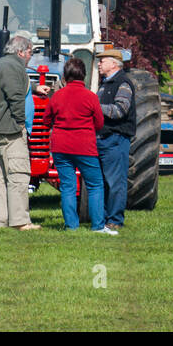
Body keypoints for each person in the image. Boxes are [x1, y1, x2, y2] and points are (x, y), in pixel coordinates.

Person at [46, 57, 110, 233]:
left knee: (67, 186)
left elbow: (46, 120)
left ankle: (71, 226)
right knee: (95, 185)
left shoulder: (57, 96)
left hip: (60, 146)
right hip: (84, 146)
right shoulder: (90, 96)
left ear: (65, 76)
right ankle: (97, 226)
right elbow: (99, 123)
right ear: (84, 75)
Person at [0, 34, 39, 229]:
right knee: (18, 175)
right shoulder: (13, 66)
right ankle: (20, 222)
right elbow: (15, 97)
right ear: (21, 51)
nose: (31, 57)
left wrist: (35, 88)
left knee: (0, 178)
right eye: (30, 52)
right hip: (10, 131)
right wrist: (20, 123)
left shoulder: (1, 64)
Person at [96, 51, 134, 232]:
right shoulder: (104, 85)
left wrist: (94, 107)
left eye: (102, 61)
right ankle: (104, 219)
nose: (98, 64)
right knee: (103, 182)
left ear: (114, 64)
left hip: (115, 139)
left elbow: (120, 110)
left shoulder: (123, 84)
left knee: (115, 182)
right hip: (103, 139)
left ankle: (115, 220)